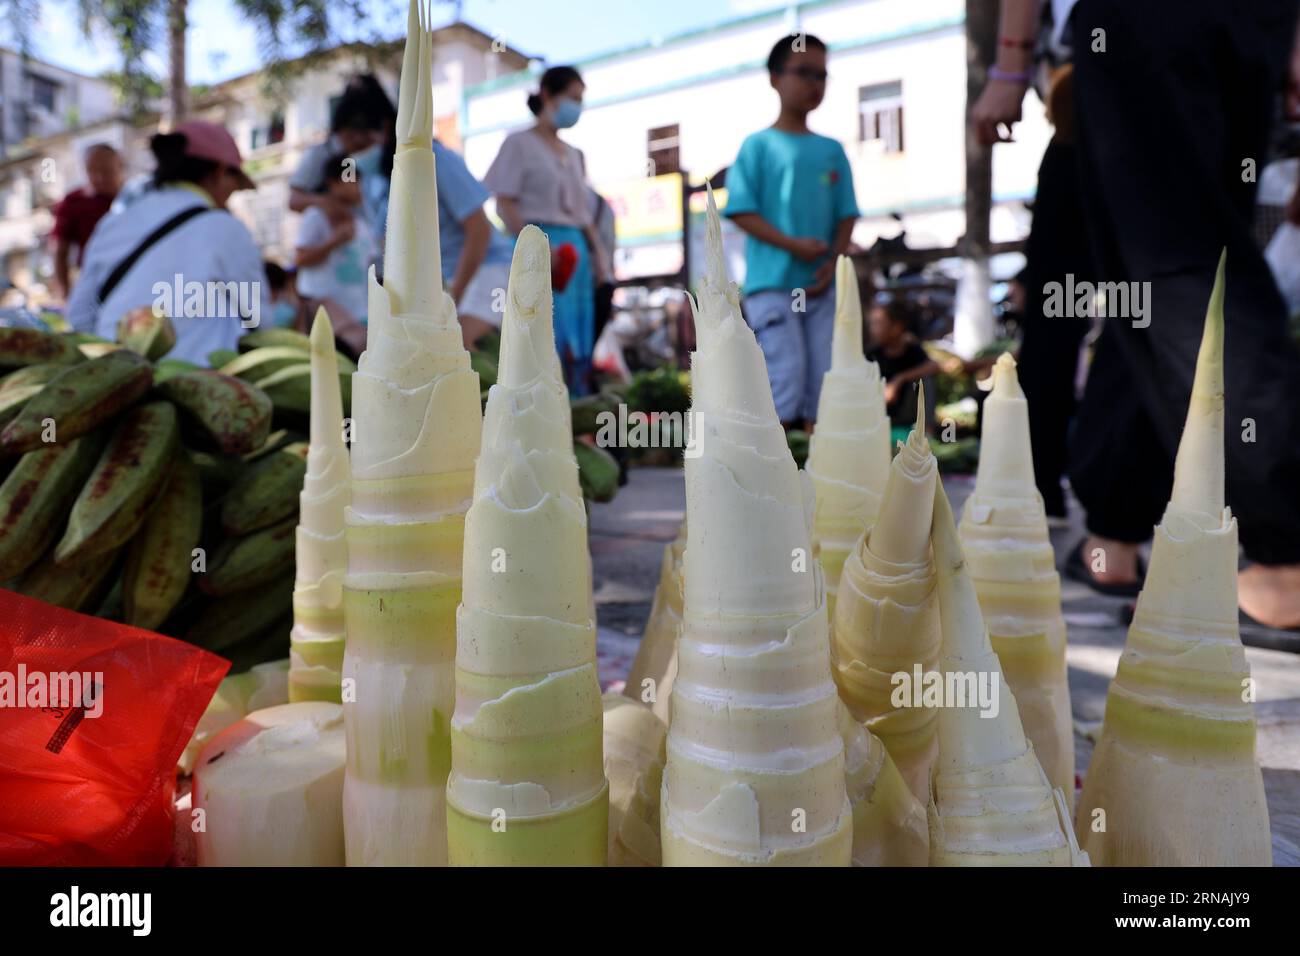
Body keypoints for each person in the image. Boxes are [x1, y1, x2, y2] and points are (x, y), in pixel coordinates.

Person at [975, 0, 1300, 628]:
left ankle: (1285, 554)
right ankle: (1115, 540)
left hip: (1144, 22)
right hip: (1252, 23)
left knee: (1179, 266)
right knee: (1148, 284)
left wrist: (1010, 67)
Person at [724, 34, 859, 428]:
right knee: (783, 382)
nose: (814, 84)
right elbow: (741, 210)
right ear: (774, 77)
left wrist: (832, 260)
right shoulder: (757, 146)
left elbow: (847, 214)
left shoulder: (832, 150)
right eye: (803, 73)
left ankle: (816, 478)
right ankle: (776, 478)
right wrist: (792, 246)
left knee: (823, 390)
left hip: (821, 287)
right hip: (773, 288)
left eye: (821, 75)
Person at [65, 122, 267, 363]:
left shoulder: (114, 222)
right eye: (236, 185)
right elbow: (259, 321)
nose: (233, 193)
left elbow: (79, 316)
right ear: (221, 172)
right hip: (201, 388)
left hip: (116, 383)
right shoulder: (226, 227)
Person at [485, 65, 610, 394]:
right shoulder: (518, 144)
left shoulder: (574, 154)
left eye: (581, 100)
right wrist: (535, 249)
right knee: (542, 331)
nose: (577, 107)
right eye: (572, 98)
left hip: (576, 253)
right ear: (547, 95)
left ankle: (578, 411)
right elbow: (504, 203)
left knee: (579, 339)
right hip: (539, 251)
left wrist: (599, 256)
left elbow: (583, 214)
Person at [294, 153, 374, 328]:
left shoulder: (361, 223)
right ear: (333, 184)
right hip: (327, 322)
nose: (357, 187)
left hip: (360, 318)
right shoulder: (315, 217)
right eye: (351, 180)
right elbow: (300, 258)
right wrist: (334, 242)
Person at [288, 91, 383, 224]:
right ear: (351, 132)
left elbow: (351, 194)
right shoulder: (318, 154)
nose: (372, 142)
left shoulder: (349, 157)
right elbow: (294, 201)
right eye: (368, 137)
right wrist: (326, 202)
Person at [51, 143, 124, 302]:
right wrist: (65, 293)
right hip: (94, 284)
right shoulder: (73, 203)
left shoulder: (137, 199)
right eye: (92, 171)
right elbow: (60, 252)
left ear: (120, 166)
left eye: (106, 170)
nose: (99, 178)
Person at [865, 298, 940, 426]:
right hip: (880, 416)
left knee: (925, 382)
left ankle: (927, 430)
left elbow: (933, 366)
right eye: (872, 324)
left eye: (878, 324)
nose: (873, 330)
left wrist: (899, 380)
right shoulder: (872, 355)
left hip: (907, 414)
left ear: (897, 328)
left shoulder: (912, 350)